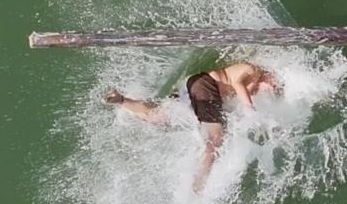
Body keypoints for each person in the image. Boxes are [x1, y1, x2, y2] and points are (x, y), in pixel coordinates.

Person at [104, 62, 279, 193]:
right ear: (270, 76)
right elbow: (238, 84)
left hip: (193, 86)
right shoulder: (254, 70)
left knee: (157, 117)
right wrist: (249, 108)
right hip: (204, 85)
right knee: (216, 138)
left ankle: (120, 100)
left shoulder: (252, 86)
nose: (273, 90)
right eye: (274, 85)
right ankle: (199, 183)